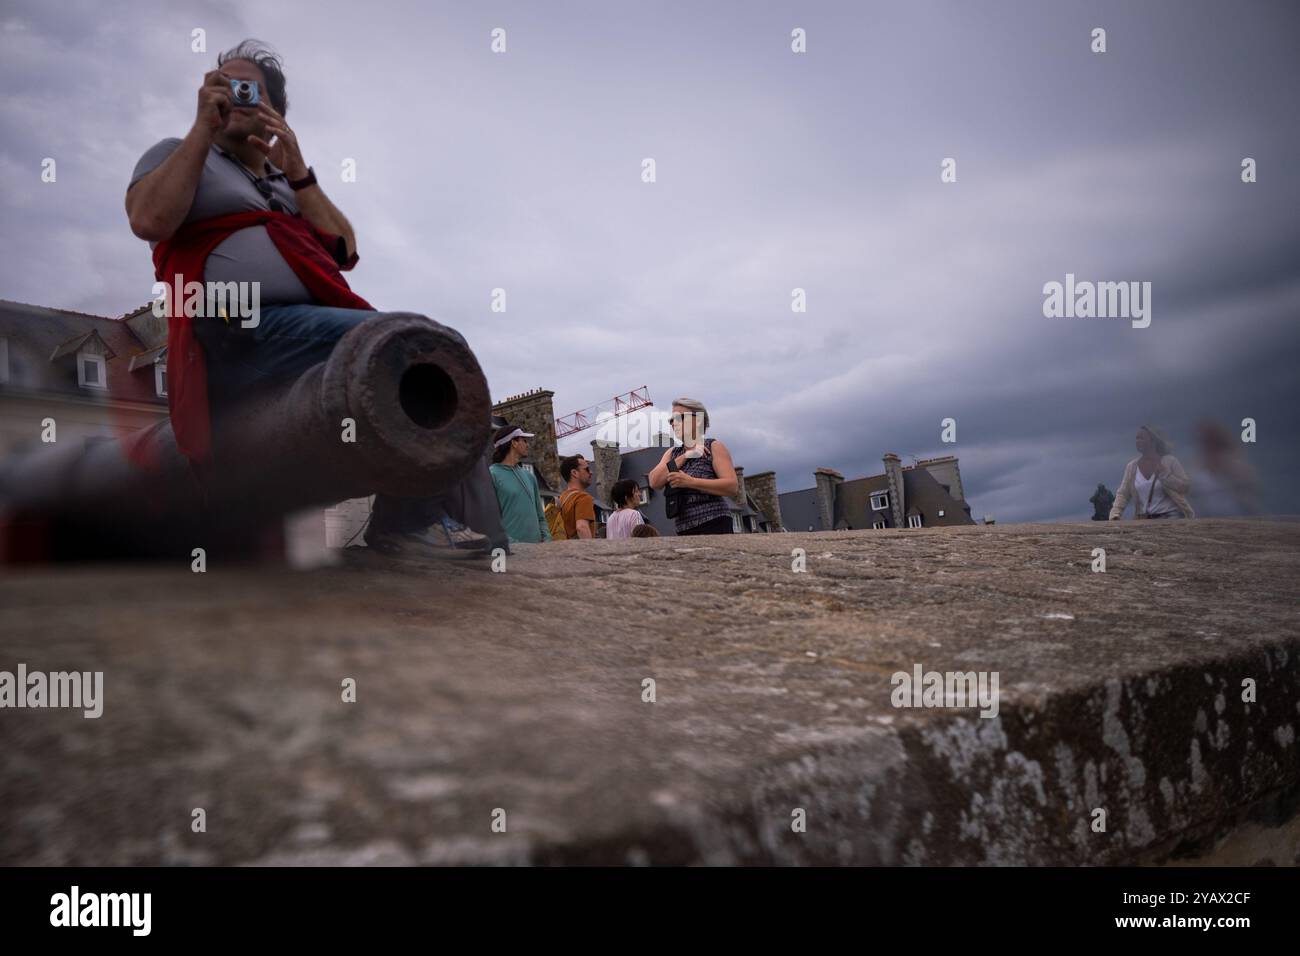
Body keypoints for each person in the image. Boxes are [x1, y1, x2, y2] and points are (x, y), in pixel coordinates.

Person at [125, 40, 499, 559]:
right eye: (218, 84)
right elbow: (148, 219)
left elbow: (344, 247)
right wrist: (199, 131)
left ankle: (423, 521)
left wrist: (299, 172)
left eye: (242, 87)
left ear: (272, 108)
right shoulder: (179, 152)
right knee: (406, 341)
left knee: (432, 352)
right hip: (232, 327)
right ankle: (408, 525)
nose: (227, 95)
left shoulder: (283, 183)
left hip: (293, 333)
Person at [648, 397, 739, 535]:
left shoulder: (713, 446)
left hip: (714, 523)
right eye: (671, 420)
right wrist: (686, 456)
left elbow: (732, 486)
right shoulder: (673, 453)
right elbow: (654, 481)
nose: (674, 423)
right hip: (683, 528)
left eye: (679, 418)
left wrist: (691, 482)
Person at [1109, 425, 1194, 520]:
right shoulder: (1131, 467)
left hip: (1171, 517)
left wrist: (1166, 475)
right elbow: (1123, 494)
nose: (1137, 441)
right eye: (1136, 438)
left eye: (1141, 438)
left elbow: (1185, 487)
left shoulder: (1170, 462)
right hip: (1144, 520)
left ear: (1153, 441)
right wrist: (1115, 515)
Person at [489, 424, 551, 544]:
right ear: (514, 443)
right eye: (524, 441)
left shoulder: (530, 476)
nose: (527, 445)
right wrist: (514, 545)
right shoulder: (491, 475)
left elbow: (540, 516)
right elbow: (489, 521)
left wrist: (547, 539)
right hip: (511, 554)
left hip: (539, 552)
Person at [557, 455, 597, 539]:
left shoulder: (562, 498)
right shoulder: (582, 497)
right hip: (580, 549)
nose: (591, 472)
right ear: (574, 473)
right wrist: (591, 549)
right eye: (587, 469)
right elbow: (582, 527)